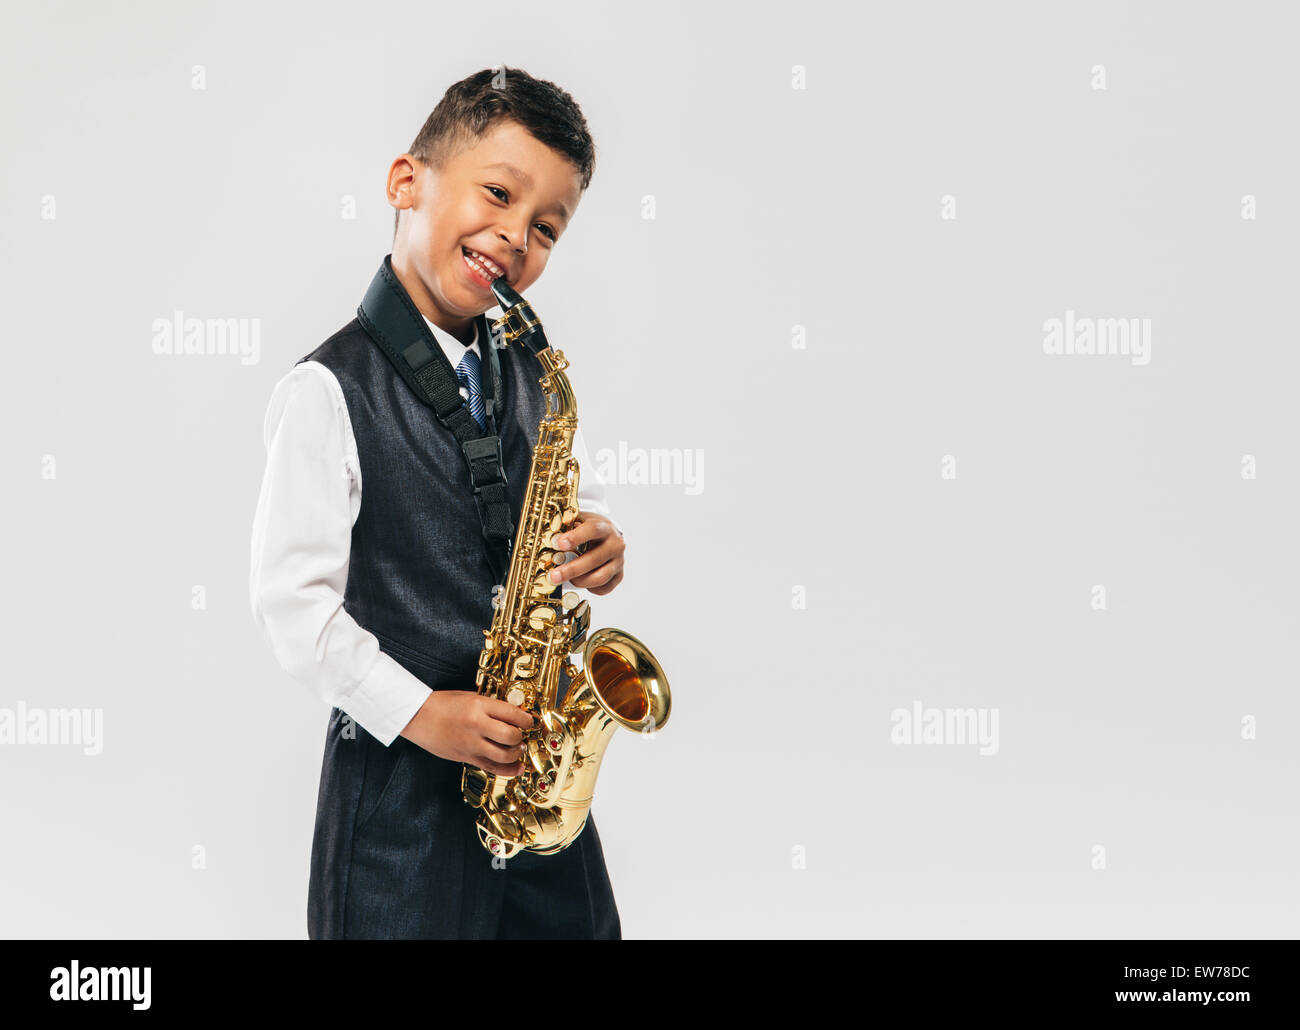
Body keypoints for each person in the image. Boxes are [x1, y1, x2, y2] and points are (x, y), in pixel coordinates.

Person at [249, 66, 627, 939]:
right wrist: (424, 713)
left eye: (544, 228)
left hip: (531, 780)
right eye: (496, 193)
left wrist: (596, 547)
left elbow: (565, 511)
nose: (514, 237)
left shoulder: (533, 372)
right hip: (401, 803)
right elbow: (293, 611)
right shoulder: (326, 389)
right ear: (406, 182)